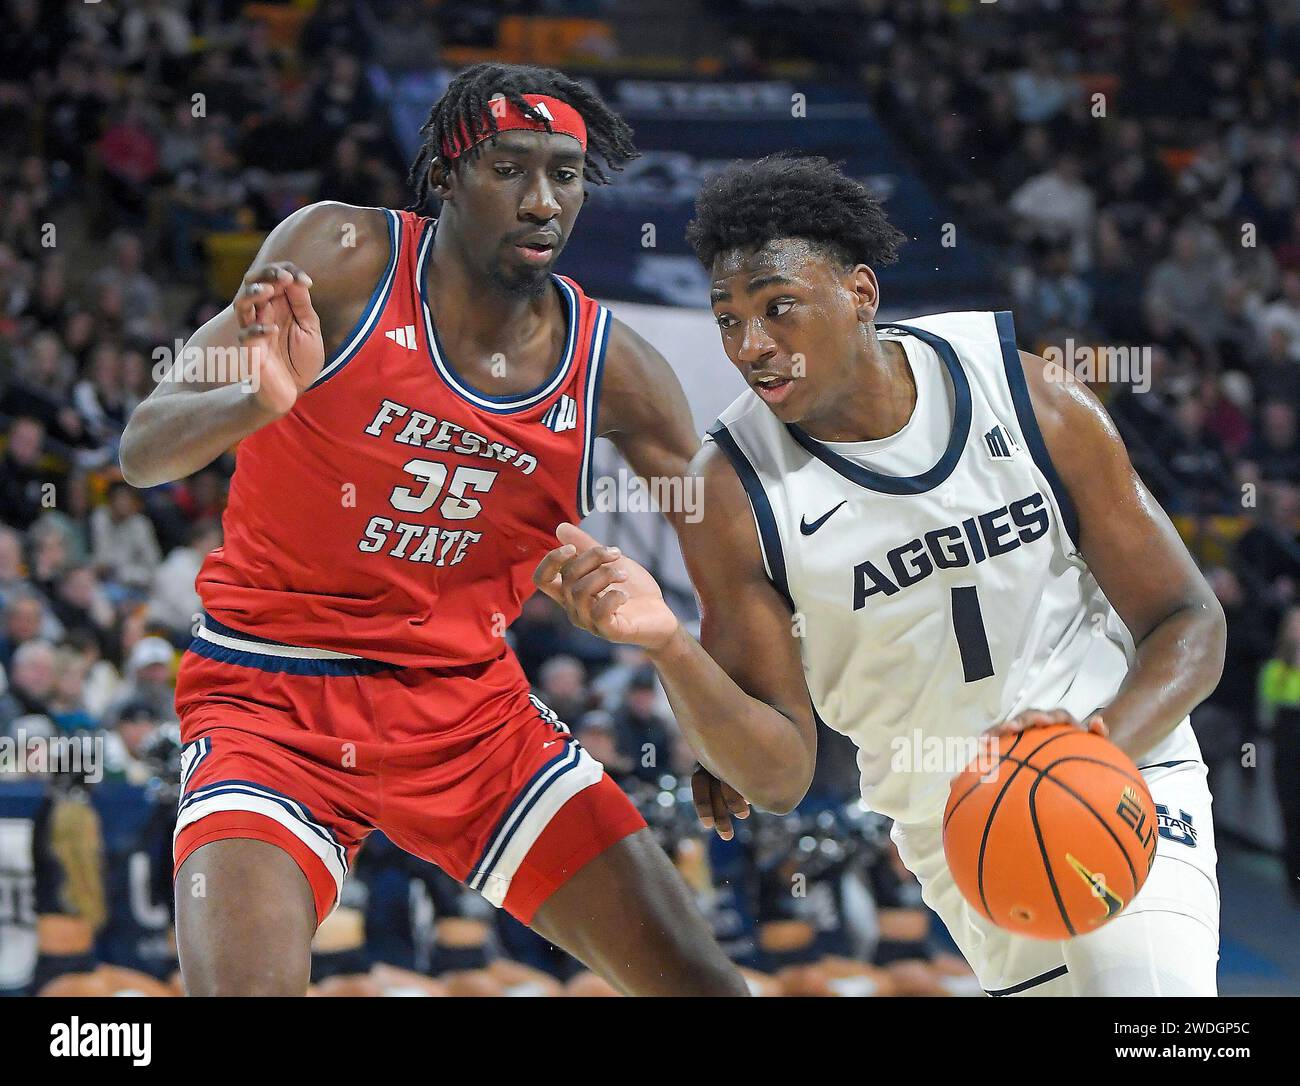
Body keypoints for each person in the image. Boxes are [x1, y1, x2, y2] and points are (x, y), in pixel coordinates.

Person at [119, 63, 745, 997]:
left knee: (706, 988)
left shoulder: (618, 373)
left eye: (565, 175)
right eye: (509, 168)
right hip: (270, 702)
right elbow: (143, 448)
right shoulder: (340, 254)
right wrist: (256, 398)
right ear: (447, 175)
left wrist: (724, 723)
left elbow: (728, 562)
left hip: (469, 717)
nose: (542, 201)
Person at [537, 154, 1227, 996]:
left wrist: (1098, 748)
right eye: (728, 319)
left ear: (860, 293)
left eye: (778, 307)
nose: (752, 345)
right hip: (954, 827)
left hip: (1124, 766)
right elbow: (779, 776)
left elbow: (1188, 618)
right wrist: (669, 645)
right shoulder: (730, 492)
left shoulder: (1026, 391)